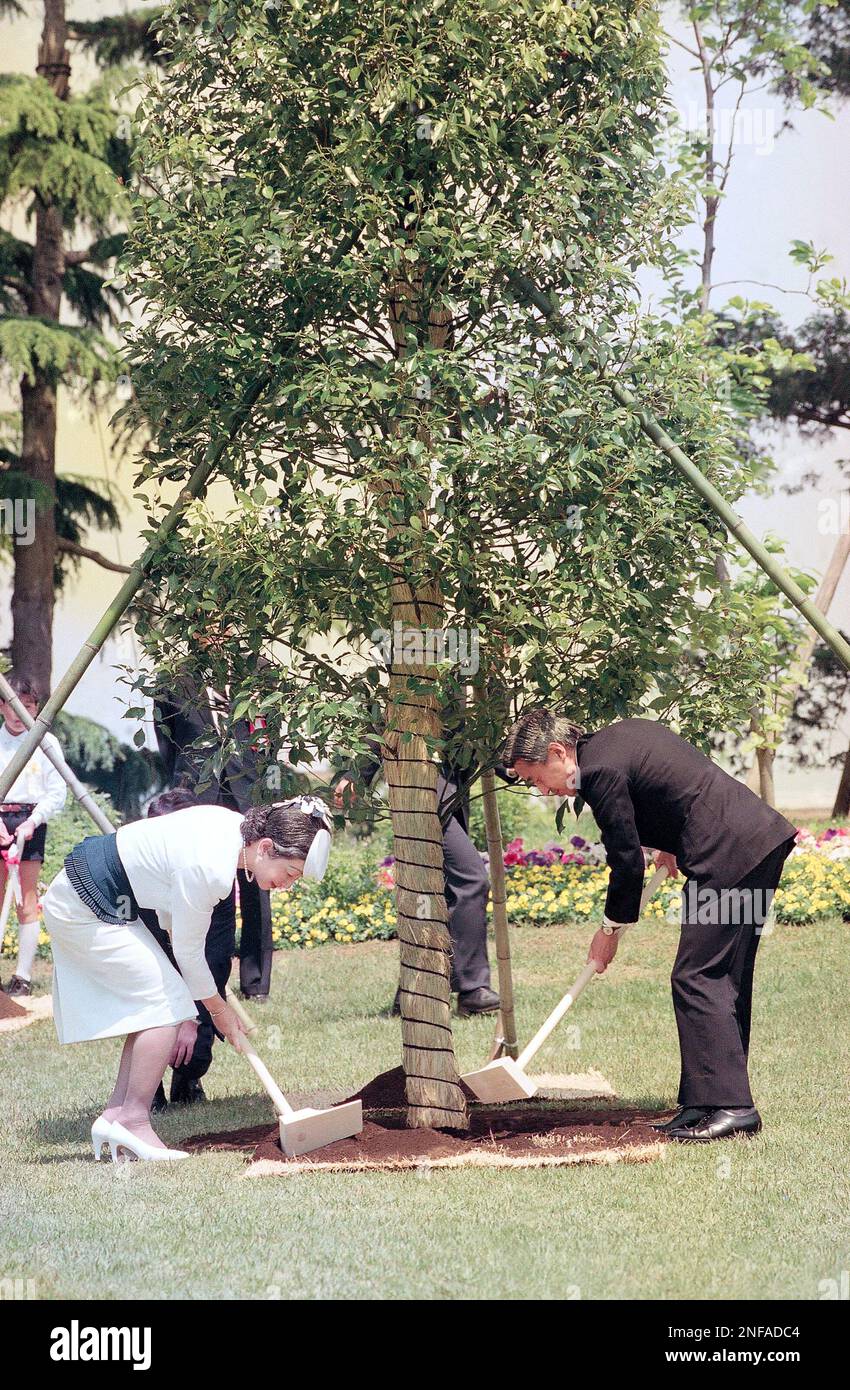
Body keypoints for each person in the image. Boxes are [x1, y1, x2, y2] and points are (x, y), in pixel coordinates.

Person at [500, 710, 798, 1143]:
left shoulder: (599, 771)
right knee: (723, 977)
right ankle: (704, 1103)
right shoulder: (617, 737)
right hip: (752, 842)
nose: (542, 790)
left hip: (730, 852)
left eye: (537, 778)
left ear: (557, 752)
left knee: (698, 977)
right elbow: (670, 783)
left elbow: (625, 863)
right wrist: (669, 841)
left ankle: (733, 1107)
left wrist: (608, 932)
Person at [40, 796, 332, 1163]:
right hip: (84, 904)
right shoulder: (211, 867)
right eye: (290, 873)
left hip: (102, 897)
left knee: (167, 998)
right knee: (166, 1003)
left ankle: (115, 1117)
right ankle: (131, 1121)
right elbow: (189, 954)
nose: (287, 885)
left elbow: (175, 919)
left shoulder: (229, 827)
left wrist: (209, 1004)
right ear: (266, 847)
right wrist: (218, 1011)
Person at [334, 754, 501, 1016]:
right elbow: (383, 719)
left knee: (435, 890)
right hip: (421, 788)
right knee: (470, 879)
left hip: (453, 782)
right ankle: (471, 988)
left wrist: (509, 763)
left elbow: (477, 722)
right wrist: (357, 776)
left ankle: (413, 992)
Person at [154, 670, 274, 1001]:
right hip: (200, 792)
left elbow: (269, 738)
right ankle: (210, 971)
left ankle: (256, 982)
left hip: (247, 790)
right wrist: (183, 785)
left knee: (257, 885)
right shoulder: (174, 678)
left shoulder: (255, 672)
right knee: (209, 885)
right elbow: (168, 742)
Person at [140, 788, 235, 1110]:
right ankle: (146, 1088)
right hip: (151, 968)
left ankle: (188, 1078)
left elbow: (217, 951)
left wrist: (194, 1016)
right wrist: (171, 1017)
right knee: (154, 1025)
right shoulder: (139, 874)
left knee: (194, 1056)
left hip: (195, 966)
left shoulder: (212, 872)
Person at [0, 673, 67, 996]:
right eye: (13, 705)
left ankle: (22, 977)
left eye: (27, 706)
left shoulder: (46, 742)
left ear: (36, 708)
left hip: (30, 822)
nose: (18, 713)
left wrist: (33, 821)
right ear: (2, 706)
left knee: (26, 898)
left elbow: (57, 793)